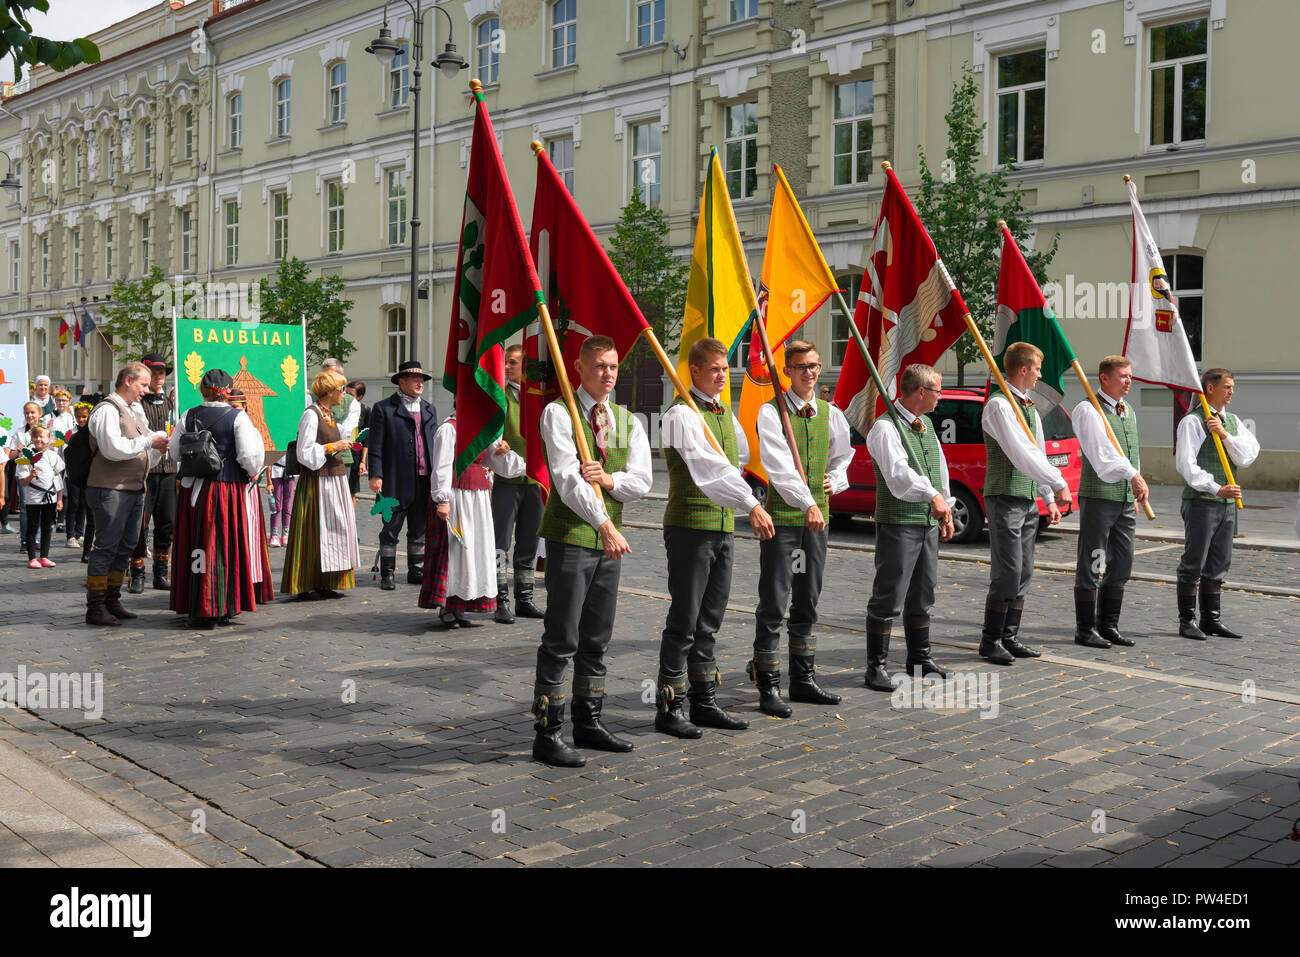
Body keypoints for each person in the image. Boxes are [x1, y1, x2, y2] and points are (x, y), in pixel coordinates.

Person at [531, 336, 652, 767]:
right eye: (600, 366)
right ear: (579, 367)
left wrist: (610, 480)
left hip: (608, 543)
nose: (608, 374)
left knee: (597, 636)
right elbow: (565, 479)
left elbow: (642, 481)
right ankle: (547, 733)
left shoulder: (627, 419)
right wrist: (602, 522)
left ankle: (589, 721)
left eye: (614, 366)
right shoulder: (558, 412)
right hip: (572, 538)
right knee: (562, 636)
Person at [655, 337, 775, 739]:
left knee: (710, 620)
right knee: (685, 620)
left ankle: (703, 701)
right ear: (694, 371)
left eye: (725, 369)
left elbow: (736, 460)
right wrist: (750, 504)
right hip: (690, 525)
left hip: (721, 527)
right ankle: (670, 706)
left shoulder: (723, 413)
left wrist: (744, 498)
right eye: (715, 369)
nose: (723, 376)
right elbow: (708, 468)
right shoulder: (681, 415)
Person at [752, 340, 853, 717]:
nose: (808, 372)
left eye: (812, 365)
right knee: (776, 601)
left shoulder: (830, 412)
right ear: (787, 372)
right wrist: (807, 501)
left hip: (816, 525)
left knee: (808, 597)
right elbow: (778, 466)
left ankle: (803, 679)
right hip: (786, 524)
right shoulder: (772, 412)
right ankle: (768, 685)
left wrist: (835, 480)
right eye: (799, 366)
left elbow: (844, 454)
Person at [979, 342, 1072, 665]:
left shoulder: (1029, 407)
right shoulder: (1000, 405)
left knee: (1025, 571)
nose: (1040, 374)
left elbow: (1038, 452)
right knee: (1008, 571)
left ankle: (1010, 636)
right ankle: (990, 640)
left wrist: (1047, 496)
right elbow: (1019, 453)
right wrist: (1059, 483)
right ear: (1022, 370)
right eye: (1037, 368)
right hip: (1004, 494)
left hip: (1027, 498)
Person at [863, 364, 956, 691]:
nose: (939, 397)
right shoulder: (886, 428)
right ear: (920, 392)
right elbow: (898, 475)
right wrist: (932, 495)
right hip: (899, 521)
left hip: (927, 521)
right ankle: (875, 667)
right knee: (890, 592)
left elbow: (939, 469)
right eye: (937, 391)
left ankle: (920, 657)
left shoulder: (926, 424)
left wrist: (946, 506)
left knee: (923, 591)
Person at [168, 371, 265, 629]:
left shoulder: (188, 415)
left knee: (197, 545)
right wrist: (250, 472)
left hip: (194, 490)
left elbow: (175, 451)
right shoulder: (237, 417)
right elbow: (249, 456)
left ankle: (198, 602)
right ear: (228, 390)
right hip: (224, 490)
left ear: (202, 389)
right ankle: (220, 603)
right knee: (223, 546)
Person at [1071, 356, 1150, 649]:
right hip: (1099, 496)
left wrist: (1136, 485)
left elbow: (1132, 453)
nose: (1128, 381)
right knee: (1093, 560)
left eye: (1130, 376)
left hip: (1125, 498)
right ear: (1105, 378)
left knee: (1123, 561)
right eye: (1123, 376)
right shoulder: (1088, 409)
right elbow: (1101, 456)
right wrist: (1132, 475)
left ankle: (1108, 624)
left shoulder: (1126, 410)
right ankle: (1085, 628)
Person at [420, 406, 525, 627]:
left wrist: (510, 454)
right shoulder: (449, 429)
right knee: (456, 552)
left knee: (474, 553)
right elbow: (441, 466)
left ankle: (460, 606)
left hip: (478, 498)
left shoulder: (484, 431)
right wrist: (443, 499)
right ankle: (447, 605)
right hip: (457, 496)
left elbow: (499, 465)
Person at [1175, 368, 1259, 640]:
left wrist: (1224, 435)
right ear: (1210, 388)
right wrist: (1215, 487)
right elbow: (1186, 465)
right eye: (1227, 387)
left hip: (1227, 503)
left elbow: (1247, 456)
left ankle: (1211, 619)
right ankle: (1187, 620)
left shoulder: (1231, 420)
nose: (1232, 391)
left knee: (1219, 562)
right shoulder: (1193, 422)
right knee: (1194, 561)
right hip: (1202, 501)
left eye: (1232, 387)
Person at [84, 363, 170, 626]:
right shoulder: (107, 410)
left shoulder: (134, 410)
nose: (147, 390)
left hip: (134, 489)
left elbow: (145, 454)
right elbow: (113, 449)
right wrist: (148, 442)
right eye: (143, 385)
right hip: (110, 489)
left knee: (126, 547)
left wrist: (158, 447)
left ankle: (112, 599)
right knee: (106, 547)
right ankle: (96, 606)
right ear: (128, 381)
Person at [281, 370, 361, 600]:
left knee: (334, 531)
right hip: (317, 482)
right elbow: (303, 452)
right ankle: (304, 583)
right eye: (340, 389)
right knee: (313, 531)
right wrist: (331, 446)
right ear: (329, 392)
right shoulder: (311, 415)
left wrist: (338, 444)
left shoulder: (328, 414)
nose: (343, 394)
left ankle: (326, 580)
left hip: (333, 479)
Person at [367, 361, 438, 589]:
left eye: (422, 380)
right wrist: (375, 475)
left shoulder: (429, 409)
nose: (420, 383)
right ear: (402, 381)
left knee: (419, 528)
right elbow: (375, 445)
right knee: (391, 526)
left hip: (424, 479)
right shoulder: (383, 408)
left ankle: (416, 570)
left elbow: (435, 446)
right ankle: (387, 573)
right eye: (415, 379)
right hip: (396, 479)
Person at [491, 344, 546, 623]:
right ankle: (500, 598)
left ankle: (525, 597)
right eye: (506, 363)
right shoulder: (501, 399)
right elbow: (495, 443)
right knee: (501, 543)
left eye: (513, 363)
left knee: (529, 542)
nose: (507, 367)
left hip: (535, 482)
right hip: (506, 482)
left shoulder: (537, 398)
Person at [128, 353, 178, 594]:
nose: (159, 377)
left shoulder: (171, 403)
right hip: (144, 470)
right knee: (140, 523)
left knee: (166, 523)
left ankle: (161, 572)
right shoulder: (138, 404)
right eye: (154, 373)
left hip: (168, 470)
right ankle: (137, 572)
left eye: (162, 373)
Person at [228, 387, 274, 604]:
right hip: (232, 487)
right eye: (230, 406)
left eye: (236, 407)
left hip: (247, 487)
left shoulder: (249, 426)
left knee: (250, 532)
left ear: (244, 406)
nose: (233, 411)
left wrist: (254, 471)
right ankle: (237, 581)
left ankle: (252, 582)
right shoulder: (228, 423)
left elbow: (255, 454)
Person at [16, 424, 63, 568]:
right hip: (33, 499)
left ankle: (44, 557)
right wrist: (31, 475)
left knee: (47, 527)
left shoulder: (53, 455)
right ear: (31, 438)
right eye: (35, 437)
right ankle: (32, 559)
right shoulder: (26, 456)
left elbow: (58, 477)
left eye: (42, 436)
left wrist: (60, 498)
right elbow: (23, 482)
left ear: (48, 439)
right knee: (33, 527)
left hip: (50, 497)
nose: (39, 439)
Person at [6, 401, 43, 552]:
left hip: (41, 474)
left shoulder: (45, 430)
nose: (30, 415)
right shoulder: (20, 432)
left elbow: (51, 450)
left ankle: (37, 538)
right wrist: (18, 450)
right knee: (25, 508)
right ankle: (24, 541)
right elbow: (11, 455)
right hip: (23, 474)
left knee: (39, 506)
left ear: (39, 414)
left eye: (33, 412)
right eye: (27, 413)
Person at [64, 402, 93, 552]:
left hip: (87, 475)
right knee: (73, 504)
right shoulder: (70, 433)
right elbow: (66, 453)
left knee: (83, 504)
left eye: (84, 417)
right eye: (78, 417)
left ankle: (80, 533)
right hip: (73, 474)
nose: (81, 420)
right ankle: (70, 535)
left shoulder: (92, 432)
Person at [344, 380, 370, 499]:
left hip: (355, 455)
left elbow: (367, 438)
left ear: (360, 396)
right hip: (340, 453)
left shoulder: (365, 410)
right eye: (345, 393)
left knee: (350, 493)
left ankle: (350, 518)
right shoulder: (340, 408)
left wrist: (363, 462)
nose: (346, 397)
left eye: (351, 395)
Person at [267, 456, 295, 547]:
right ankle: (274, 535)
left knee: (287, 506)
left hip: (290, 472)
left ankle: (285, 534)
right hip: (276, 471)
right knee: (276, 506)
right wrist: (269, 482)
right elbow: (269, 459)